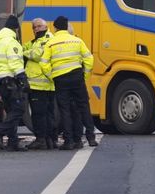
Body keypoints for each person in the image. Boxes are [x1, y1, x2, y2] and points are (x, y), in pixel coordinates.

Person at [42, 15, 98, 150]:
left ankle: (69, 141)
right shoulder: (77, 41)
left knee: (65, 110)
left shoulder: (51, 43)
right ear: (67, 27)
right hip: (77, 77)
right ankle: (91, 137)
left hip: (60, 80)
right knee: (83, 107)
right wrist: (84, 75)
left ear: (55, 28)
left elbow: (44, 64)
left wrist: (52, 77)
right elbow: (89, 58)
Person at [0, 15, 28, 151]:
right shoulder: (11, 42)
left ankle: (13, 143)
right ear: (16, 29)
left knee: (11, 111)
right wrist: (22, 78)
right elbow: (14, 61)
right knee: (19, 109)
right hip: (10, 80)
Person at [23, 17, 57, 150]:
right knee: (48, 114)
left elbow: (37, 54)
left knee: (39, 114)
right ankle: (50, 140)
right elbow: (28, 46)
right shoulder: (38, 40)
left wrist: (23, 53)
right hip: (44, 84)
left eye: (39, 26)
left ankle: (41, 140)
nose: (36, 29)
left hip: (40, 84)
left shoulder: (47, 39)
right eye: (34, 27)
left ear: (45, 26)